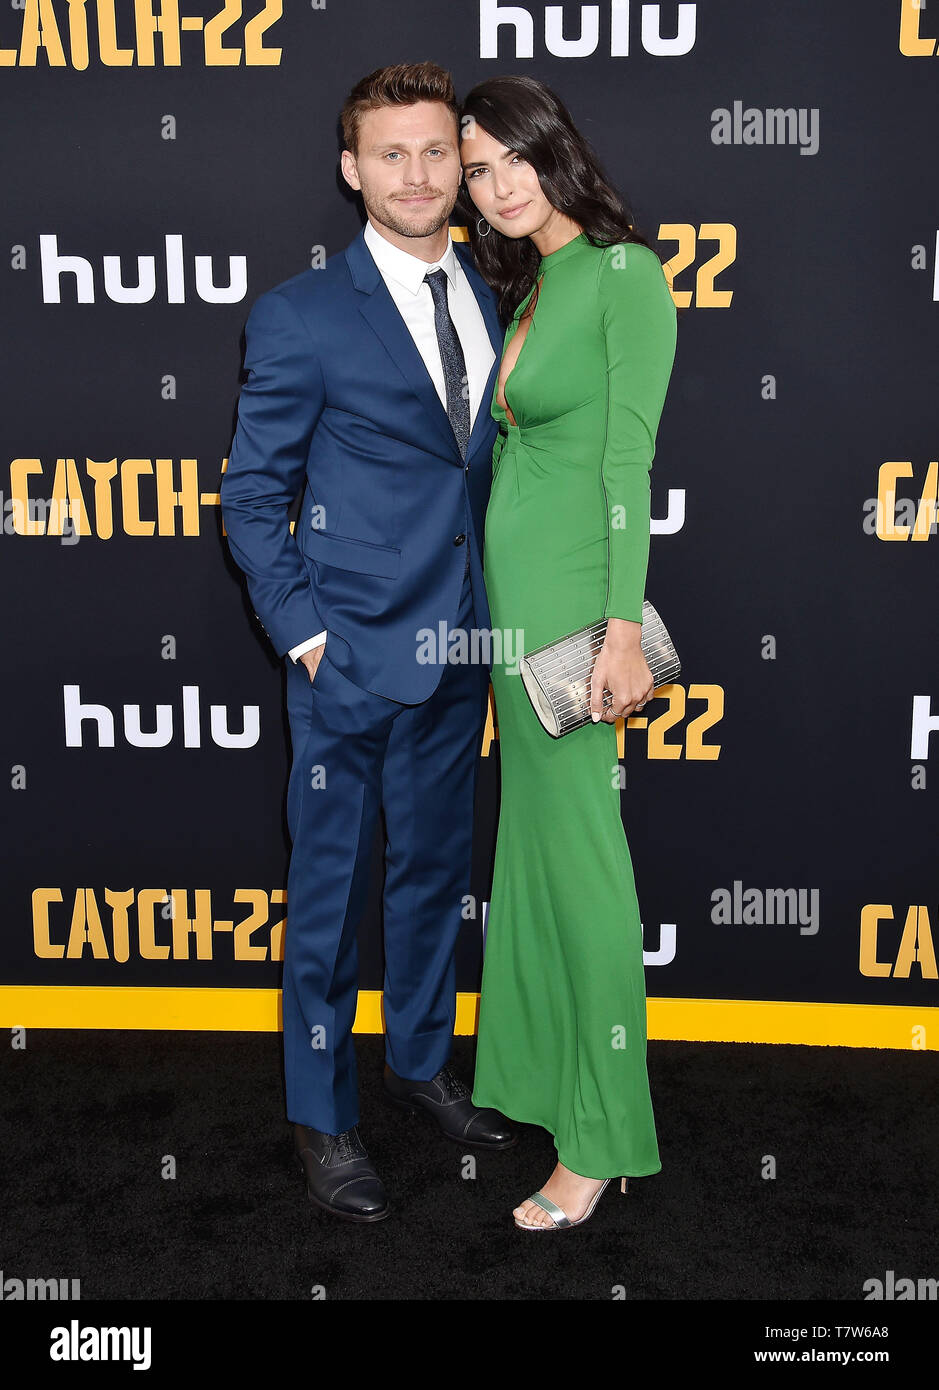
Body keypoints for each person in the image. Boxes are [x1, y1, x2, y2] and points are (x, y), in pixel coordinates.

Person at [221, 61, 516, 1225]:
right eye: (389, 153)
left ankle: (421, 1062)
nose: (417, 174)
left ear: (463, 162)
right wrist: (303, 639)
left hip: (459, 650)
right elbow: (253, 497)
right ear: (351, 170)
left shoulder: (494, 289)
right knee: (331, 898)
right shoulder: (299, 315)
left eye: (437, 151)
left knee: (435, 876)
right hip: (345, 660)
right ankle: (322, 1114)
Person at [458, 75, 678, 1230]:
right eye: (476, 169)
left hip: (577, 626)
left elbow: (626, 467)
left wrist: (624, 632)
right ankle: (551, 1091)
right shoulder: (538, 282)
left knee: (584, 874)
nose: (494, 187)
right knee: (534, 869)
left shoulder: (626, 275)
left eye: (510, 161)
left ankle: (602, 1142)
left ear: (556, 152)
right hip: (514, 619)